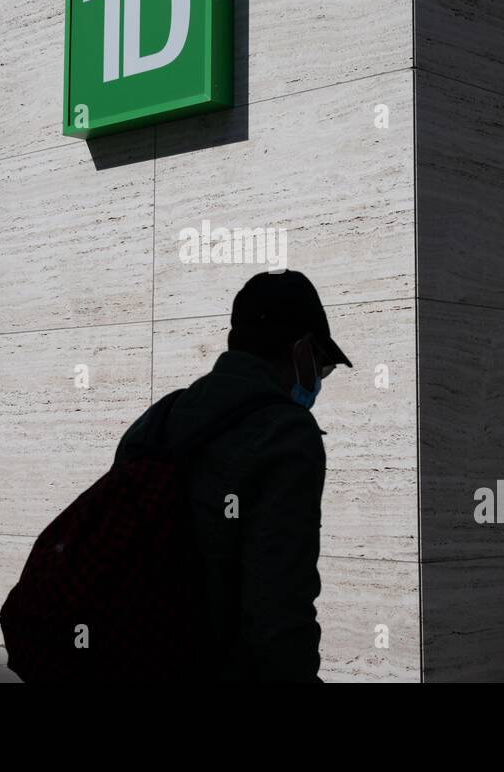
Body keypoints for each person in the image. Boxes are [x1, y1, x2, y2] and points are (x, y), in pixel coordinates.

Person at [113, 268, 351, 682]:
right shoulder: (286, 433)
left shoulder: (162, 417)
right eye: (321, 365)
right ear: (300, 350)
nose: (318, 381)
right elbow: (278, 608)